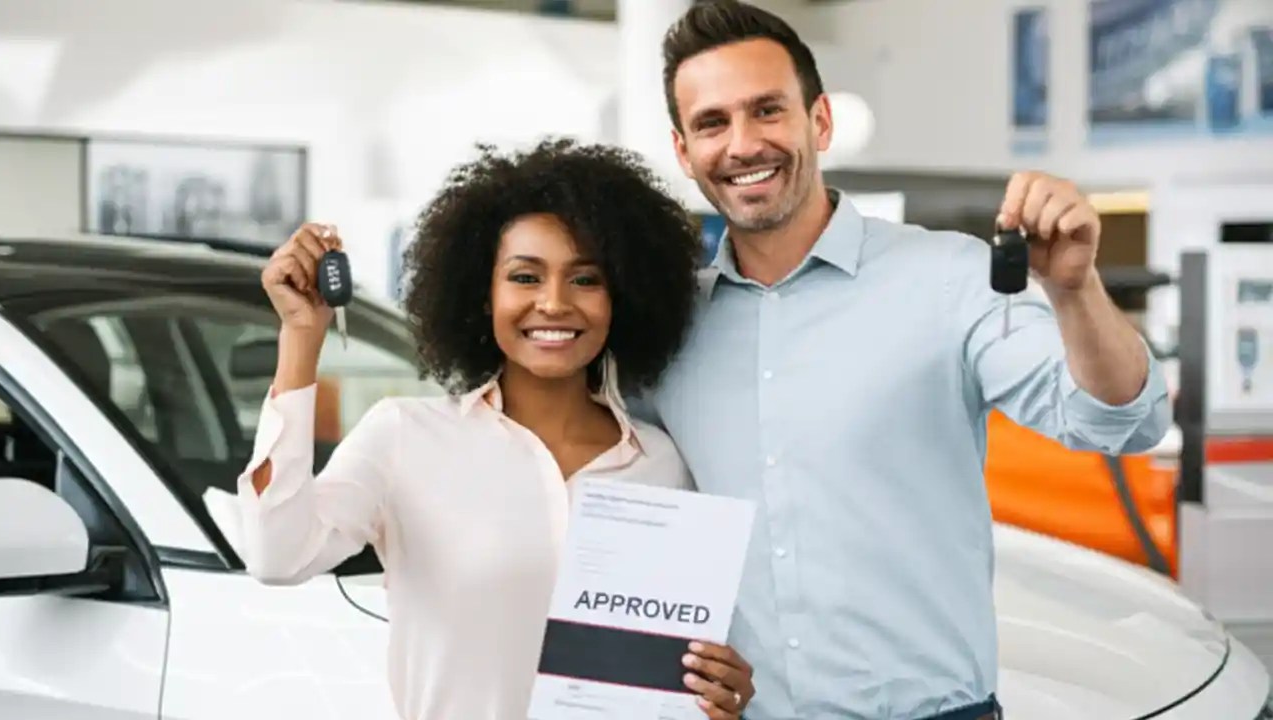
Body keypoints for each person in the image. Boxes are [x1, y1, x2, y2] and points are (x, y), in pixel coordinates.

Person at [631, 2, 1174, 719]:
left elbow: (1119, 422)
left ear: (820, 121)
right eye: (712, 123)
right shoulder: (672, 327)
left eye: (767, 110)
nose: (743, 144)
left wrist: (1076, 293)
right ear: (683, 151)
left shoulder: (950, 279)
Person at [234, 138, 757, 720]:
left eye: (586, 279)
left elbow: (668, 668)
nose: (554, 303)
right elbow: (277, 554)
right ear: (483, 295)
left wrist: (718, 691)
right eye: (525, 277)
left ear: (621, 298)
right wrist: (301, 338)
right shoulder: (403, 437)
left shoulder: (662, 463)